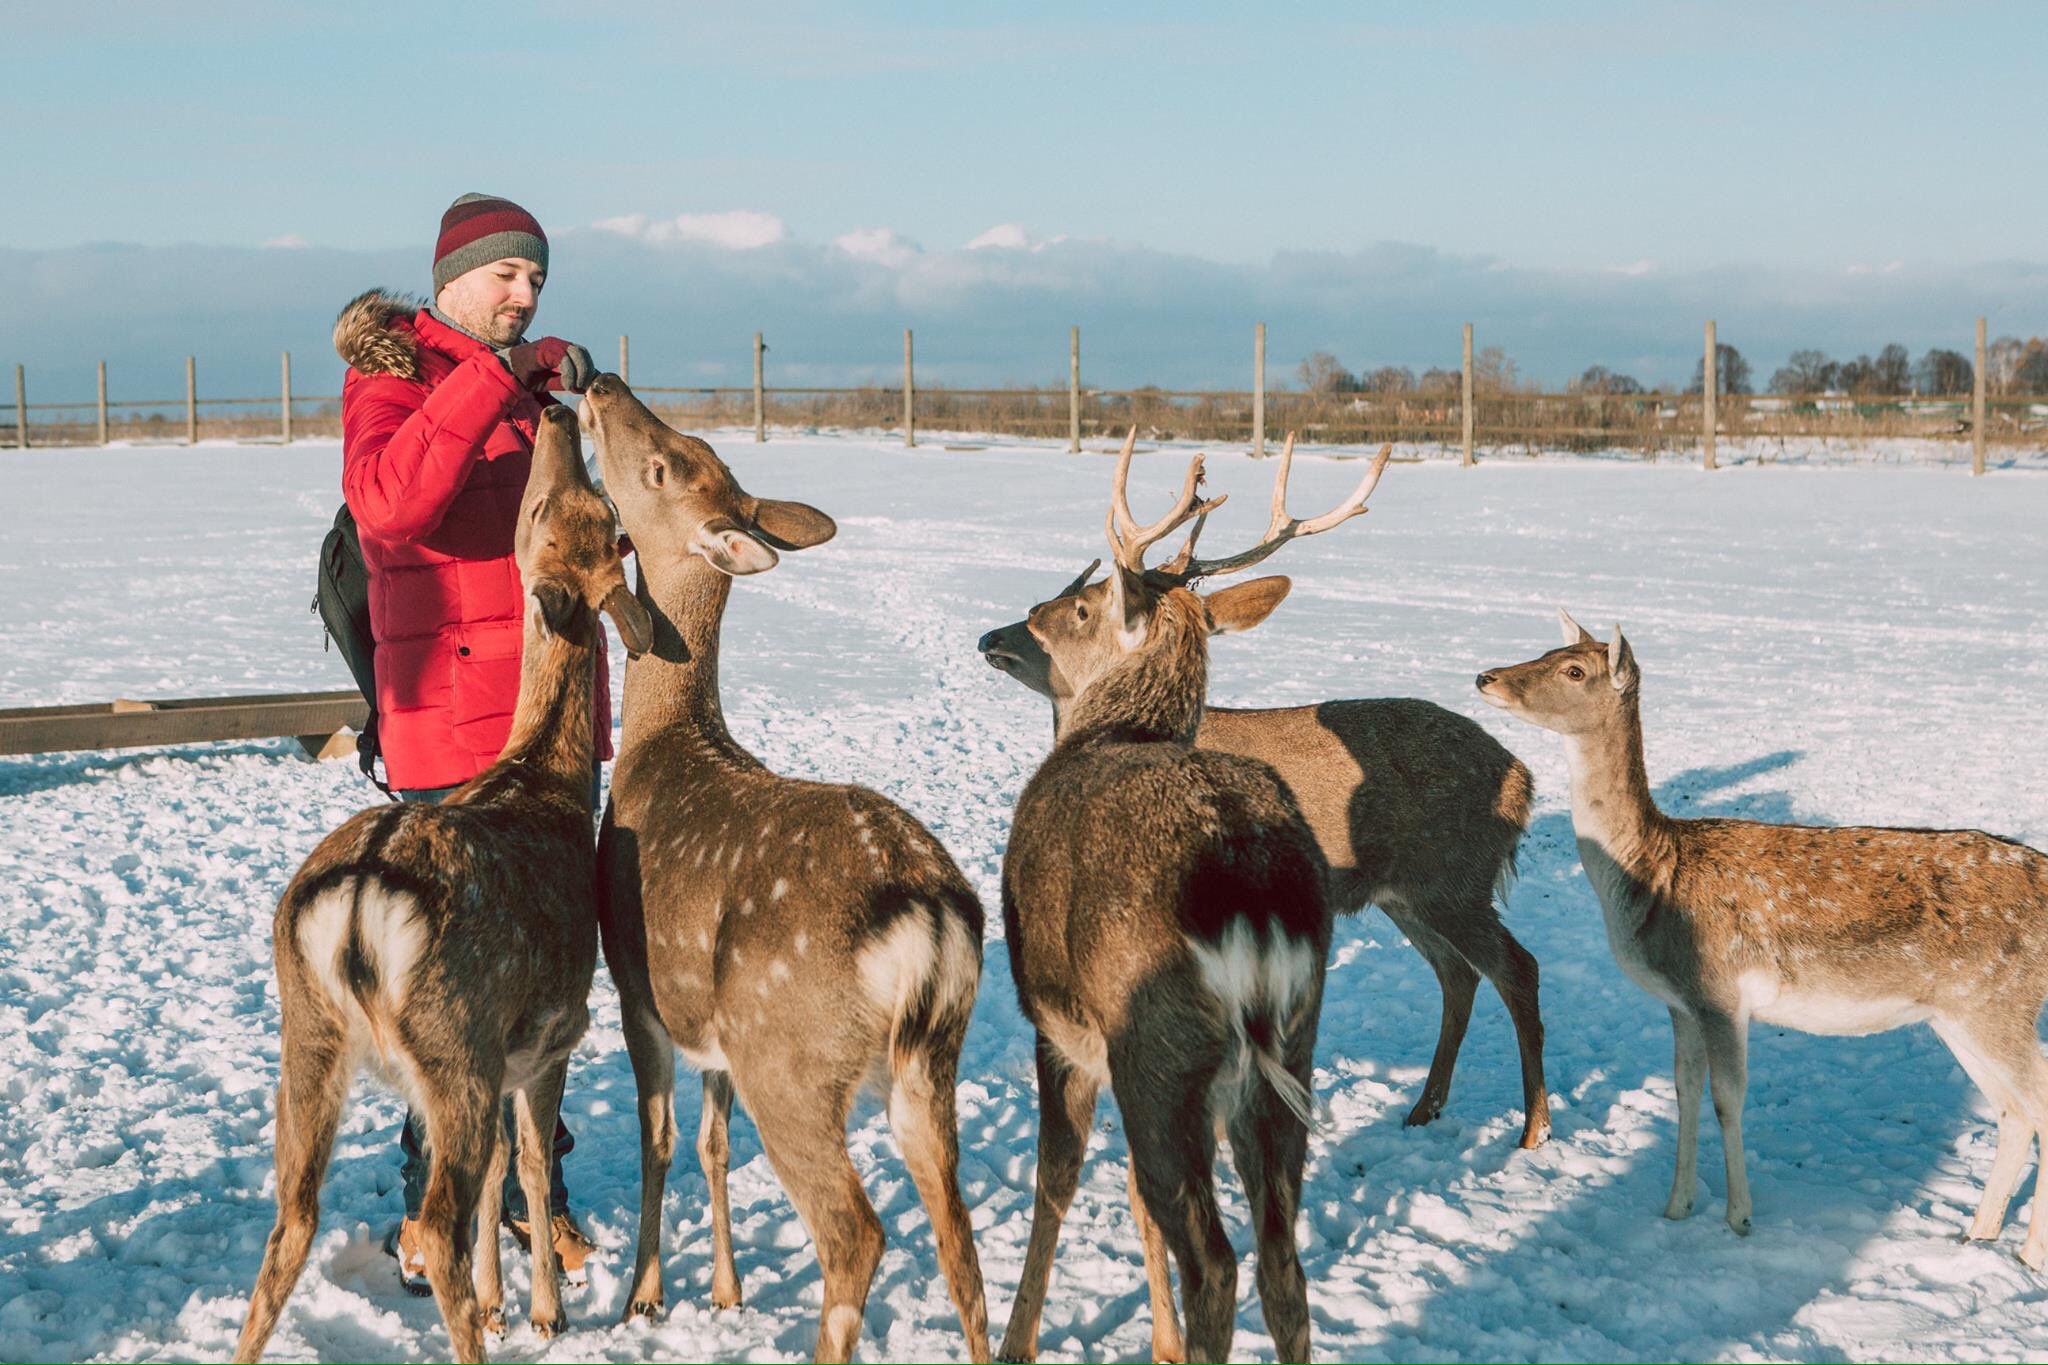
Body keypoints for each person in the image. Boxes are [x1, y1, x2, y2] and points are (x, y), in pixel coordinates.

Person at [332, 192, 603, 1293]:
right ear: (450, 279)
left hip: (553, 727)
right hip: (452, 733)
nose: (523, 293)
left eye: (534, 277)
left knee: (546, 983)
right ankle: (434, 1217)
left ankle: (540, 1203)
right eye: (503, 275)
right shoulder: (392, 377)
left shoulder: (528, 394)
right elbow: (388, 505)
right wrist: (497, 378)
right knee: (453, 997)